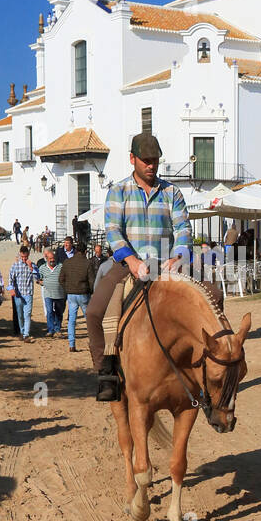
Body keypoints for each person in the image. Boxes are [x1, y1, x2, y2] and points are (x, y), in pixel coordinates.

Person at [86, 131, 192, 401]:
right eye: (145, 160)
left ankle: (206, 367)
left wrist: (178, 256)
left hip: (166, 264)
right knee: (95, 313)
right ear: (132, 158)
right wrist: (131, 261)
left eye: (155, 160)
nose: (151, 165)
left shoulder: (172, 192)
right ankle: (106, 372)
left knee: (213, 296)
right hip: (126, 263)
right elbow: (113, 230)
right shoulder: (118, 191)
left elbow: (182, 227)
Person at [59, 241, 94, 352]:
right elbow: (92, 281)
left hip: (71, 294)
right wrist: (91, 291)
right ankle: (93, 342)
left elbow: (61, 279)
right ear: (85, 251)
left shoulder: (67, 262)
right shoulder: (88, 263)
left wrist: (67, 288)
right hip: (84, 294)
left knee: (71, 321)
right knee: (89, 319)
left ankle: (72, 344)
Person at [8, 244, 40, 342]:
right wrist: (11, 289)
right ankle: (22, 331)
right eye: (22, 257)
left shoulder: (33, 265)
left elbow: (37, 278)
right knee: (20, 315)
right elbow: (10, 280)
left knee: (27, 314)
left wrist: (31, 267)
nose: (24, 259)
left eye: (25, 257)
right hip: (18, 294)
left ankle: (26, 334)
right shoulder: (15, 265)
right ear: (20, 255)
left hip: (28, 293)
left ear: (28, 255)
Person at [37, 249, 65, 336]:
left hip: (59, 294)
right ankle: (50, 330)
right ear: (47, 259)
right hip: (48, 293)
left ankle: (58, 329)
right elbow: (38, 279)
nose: (52, 260)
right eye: (50, 259)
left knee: (58, 312)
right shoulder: (42, 268)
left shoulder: (61, 267)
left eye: (53, 258)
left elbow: (65, 277)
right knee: (49, 311)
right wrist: (42, 283)